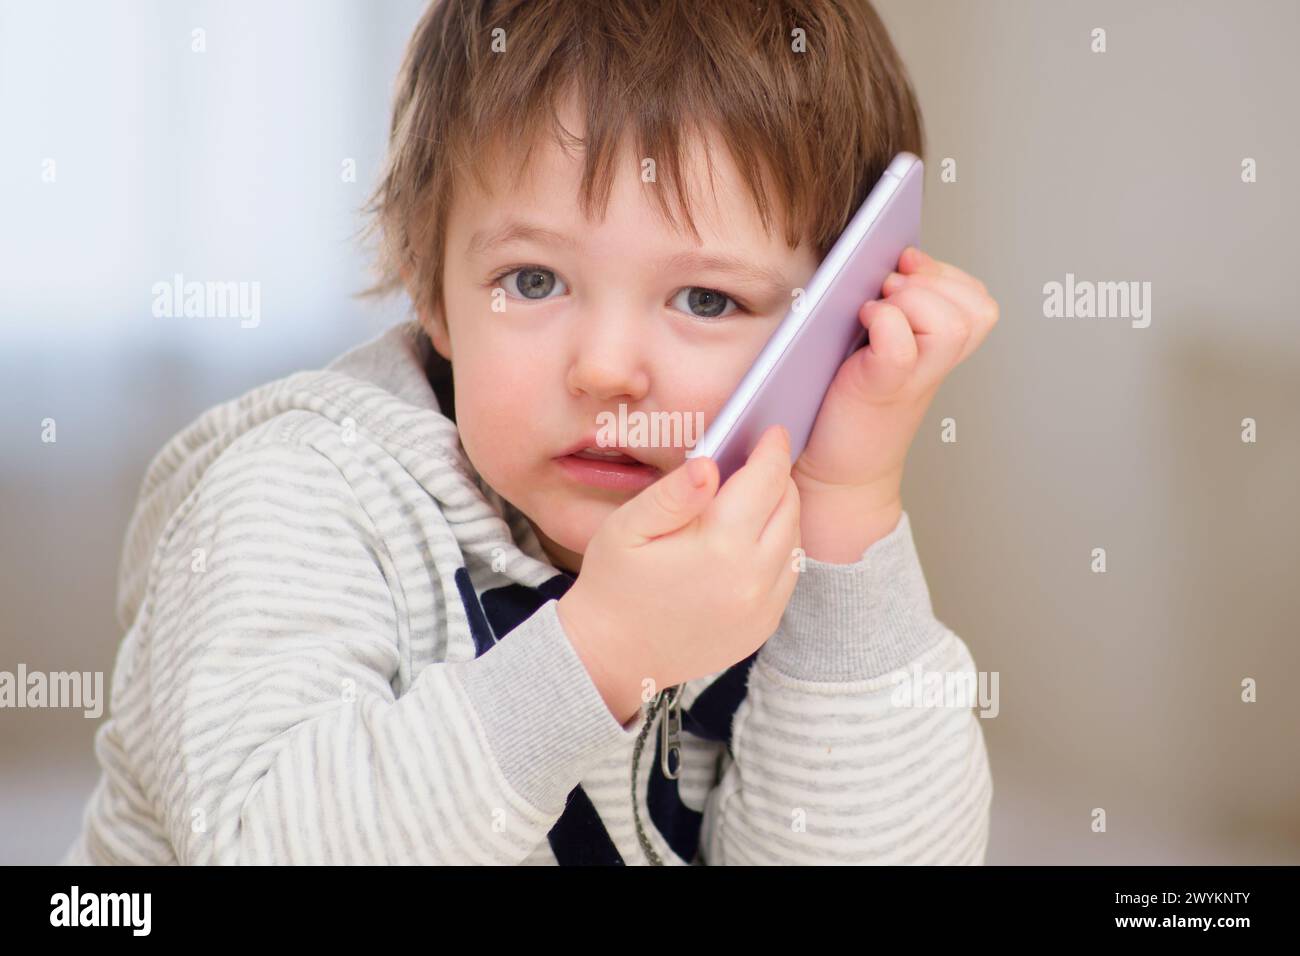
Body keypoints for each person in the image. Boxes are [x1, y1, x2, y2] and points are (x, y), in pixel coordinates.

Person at [61, 0, 998, 865]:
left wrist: (845, 515)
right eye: (535, 281)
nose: (605, 369)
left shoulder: (761, 528)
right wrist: (598, 656)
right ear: (431, 288)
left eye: (706, 298)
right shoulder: (292, 499)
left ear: (828, 326)